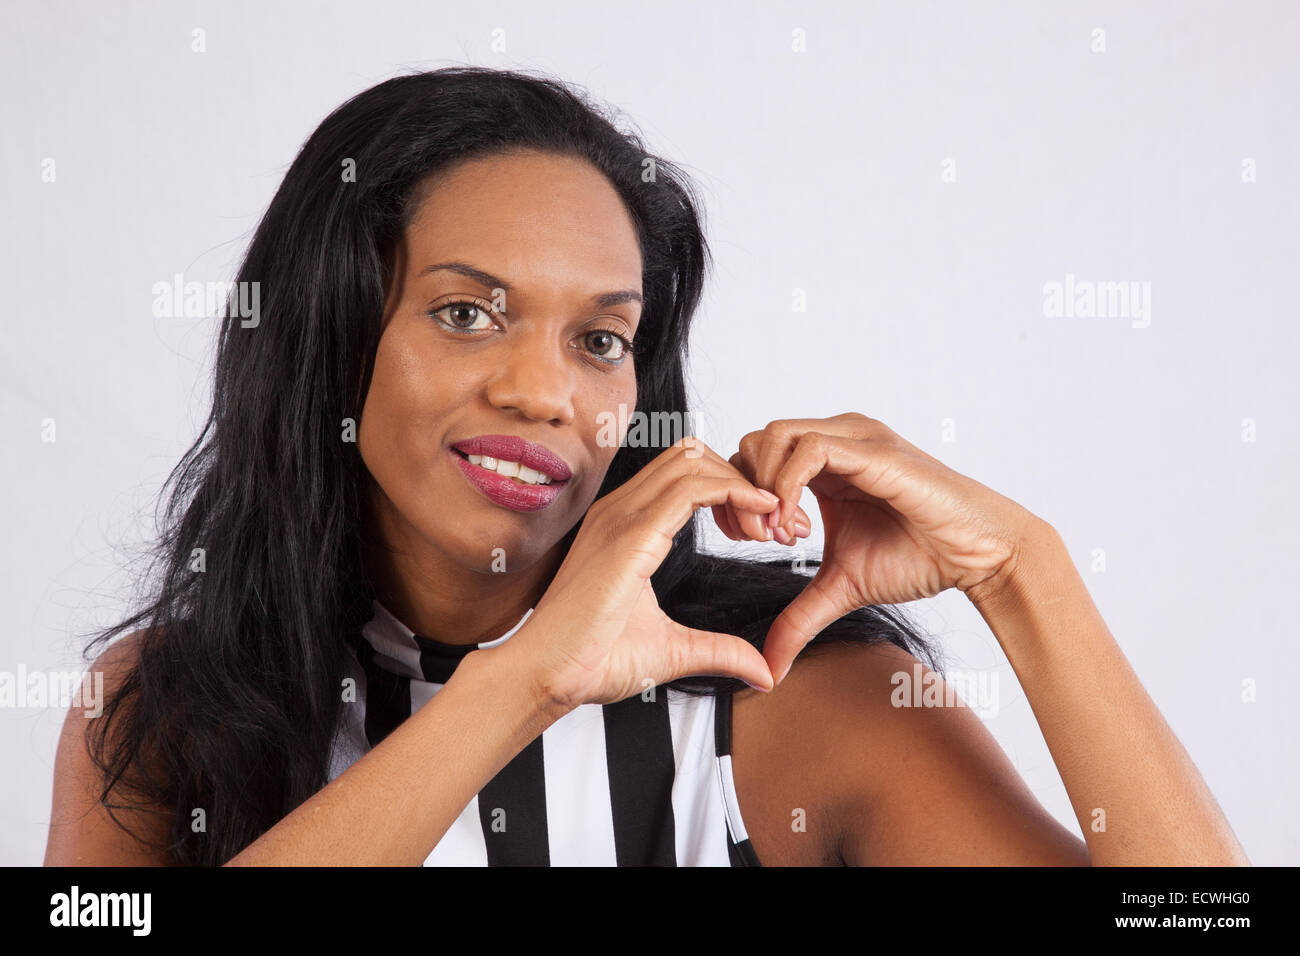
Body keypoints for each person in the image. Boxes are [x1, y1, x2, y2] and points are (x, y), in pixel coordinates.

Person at [44, 66, 1247, 866]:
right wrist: (524, 681)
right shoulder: (163, 707)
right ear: (330, 333)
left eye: (601, 339)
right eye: (467, 313)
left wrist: (1024, 570)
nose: (543, 390)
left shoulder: (783, 701)